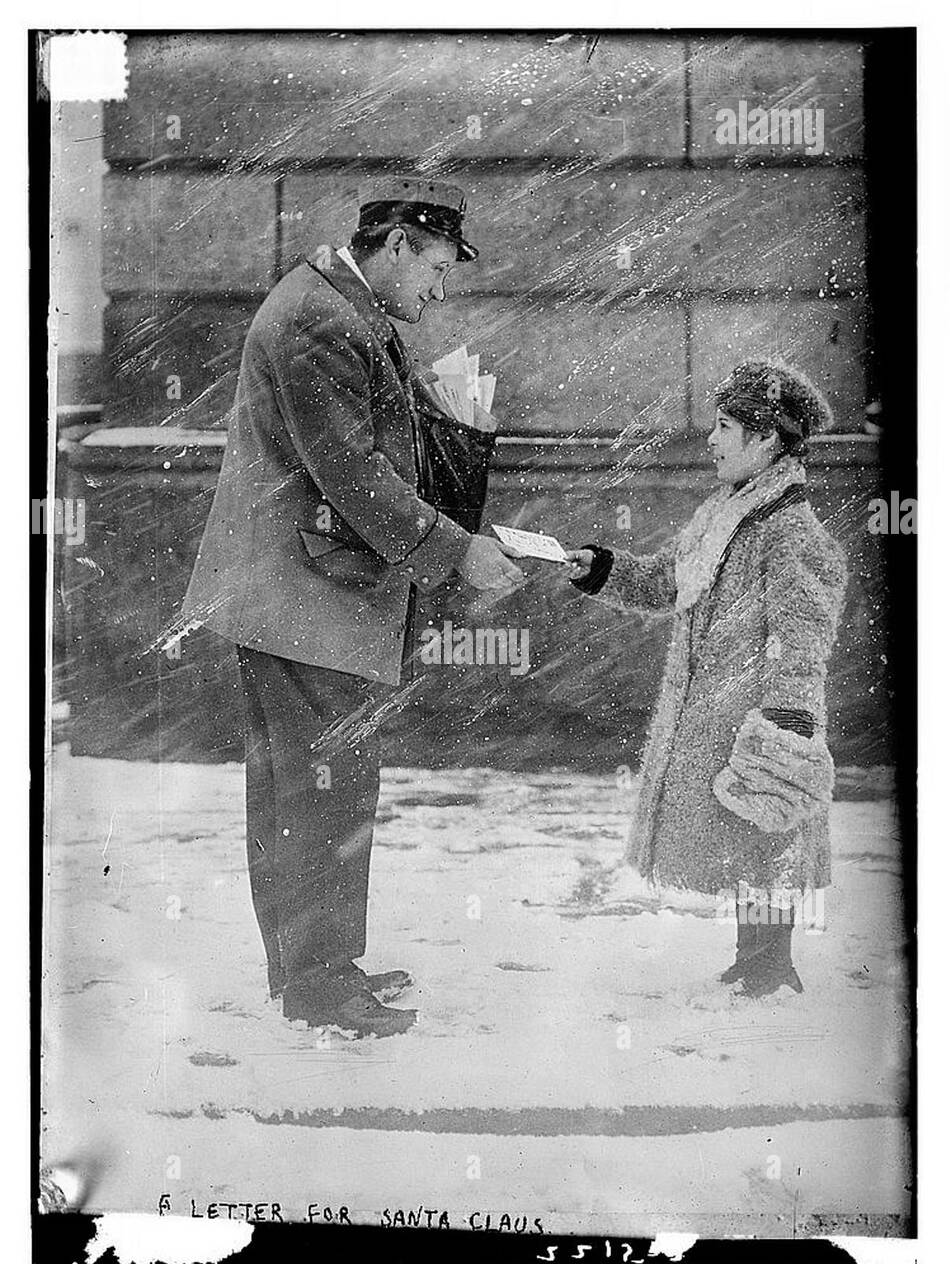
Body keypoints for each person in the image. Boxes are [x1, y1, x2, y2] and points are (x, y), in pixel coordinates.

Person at [181, 179, 522, 1037]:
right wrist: (457, 549)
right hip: (304, 599)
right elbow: (352, 474)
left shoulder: (334, 304)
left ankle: (317, 967)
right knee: (320, 790)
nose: (439, 291)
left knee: (314, 787)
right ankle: (321, 986)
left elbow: (363, 450)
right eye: (436, 268)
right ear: (399, 244)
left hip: (307, 594)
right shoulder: (321, 319)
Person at [567, 362, 847, 998]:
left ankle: (772, 968)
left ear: (766, 439)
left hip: (756, 716)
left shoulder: (787, 530)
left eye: (725, 428)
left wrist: (787, 727)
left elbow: (801, 639)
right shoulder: (729, 513)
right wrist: (602, 569)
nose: (713, 442)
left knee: (768, 821)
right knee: (744, 834)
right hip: (721, 710)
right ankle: (753, 959)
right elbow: (671, 581)